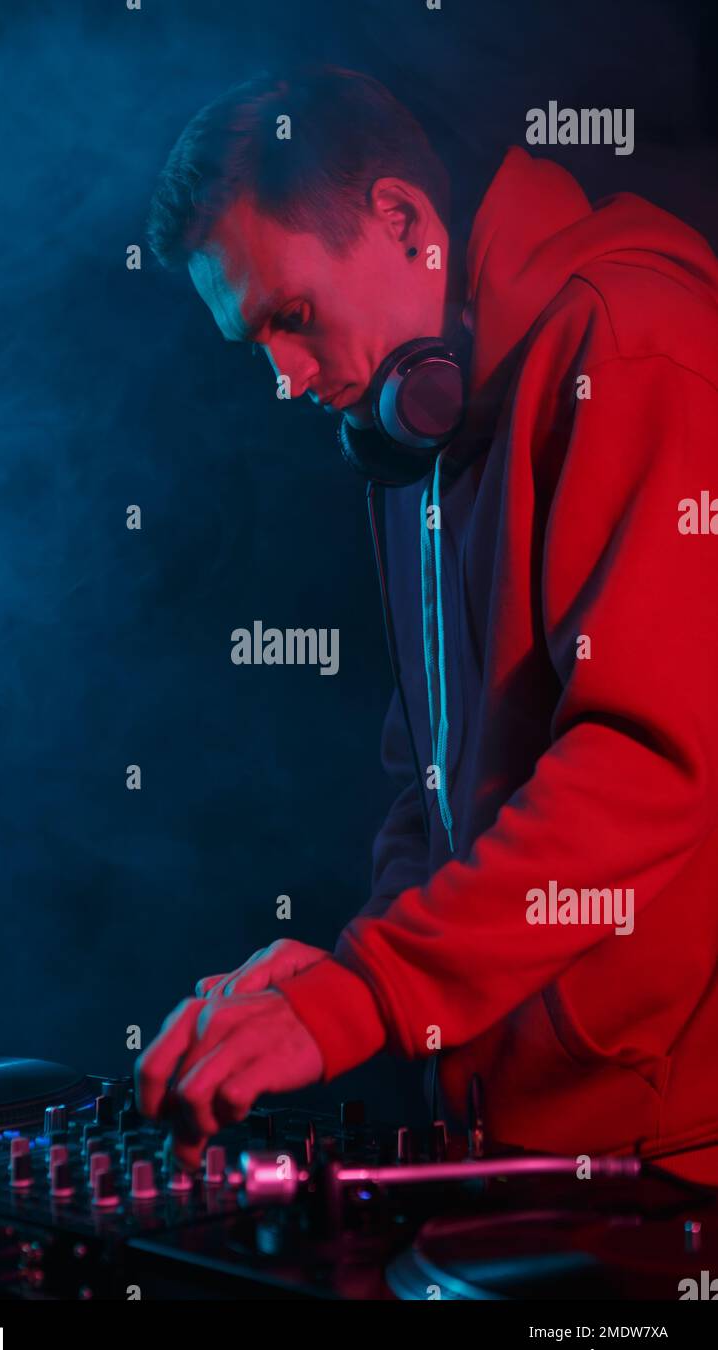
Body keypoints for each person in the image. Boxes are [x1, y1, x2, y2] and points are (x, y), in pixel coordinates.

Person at [138, 66, 718, 1184]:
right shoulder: (419, 416)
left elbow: (646, 765)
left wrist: (374, 990)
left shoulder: (634, 342)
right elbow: (435, 778)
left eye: (291, 319)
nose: (287, 377)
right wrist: (342, 965)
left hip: (670, 1152)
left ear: (402, 220)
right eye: (255, 342)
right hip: (523, 1139)